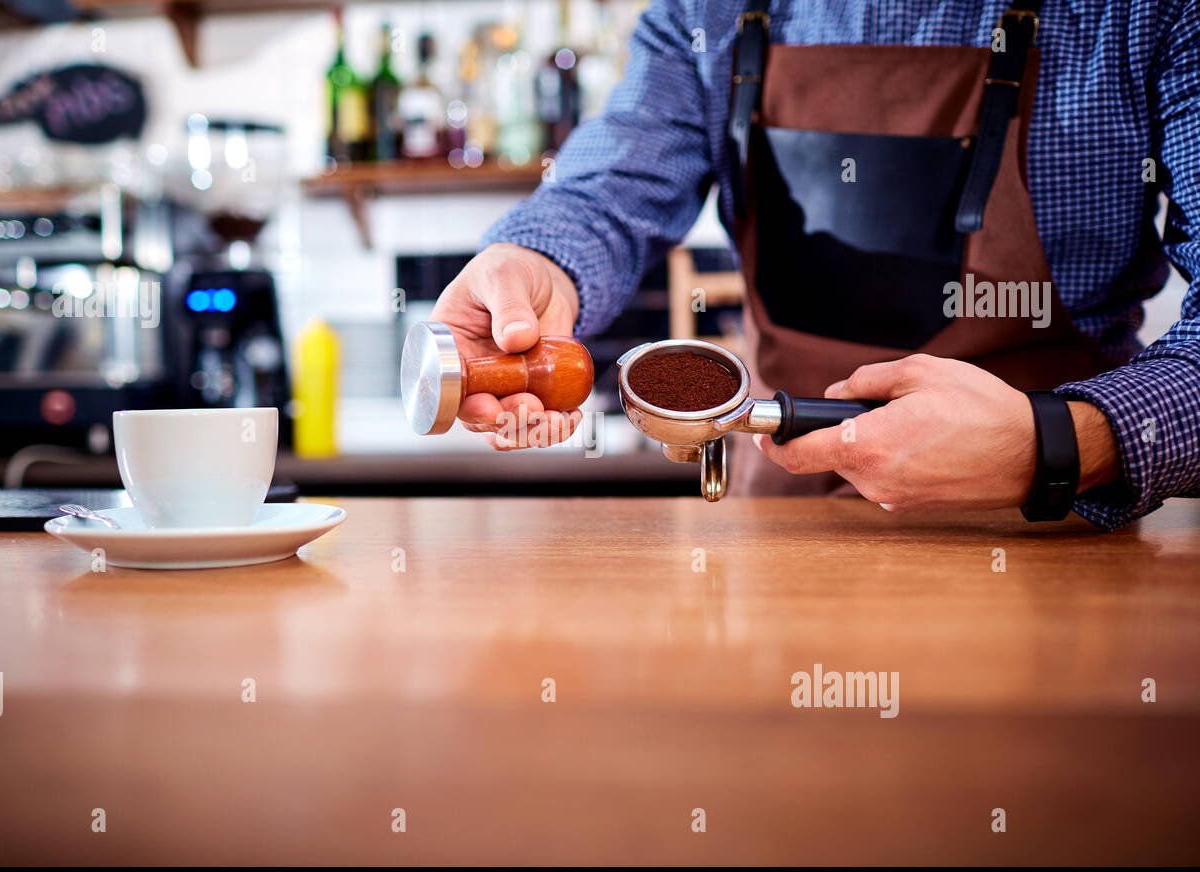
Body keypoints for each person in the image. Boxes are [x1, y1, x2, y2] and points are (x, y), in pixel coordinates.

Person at [426, 0, 1199, 528]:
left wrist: (1057, 442)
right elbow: (606, 191)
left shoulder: (1145, 13)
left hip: (1052, 545)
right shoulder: (708, 14)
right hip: (779, 528)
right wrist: (533, 260)